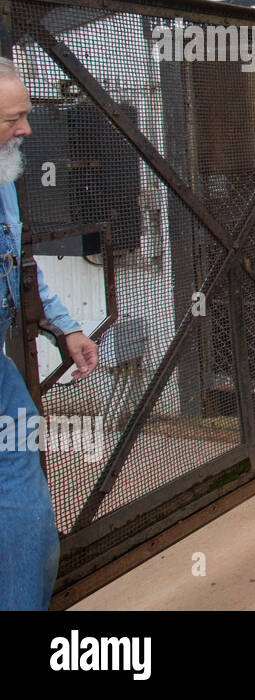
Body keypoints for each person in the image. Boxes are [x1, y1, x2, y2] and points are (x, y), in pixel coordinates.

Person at [0, 57, 99, 610]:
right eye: (14, 118)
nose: (27, 130)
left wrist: (66, 327)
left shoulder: (5, 173)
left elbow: (17, 265)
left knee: (25, 510)